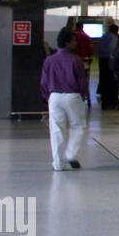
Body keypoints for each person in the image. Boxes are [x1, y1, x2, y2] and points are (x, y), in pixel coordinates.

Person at [41, 27, 88, 171]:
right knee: (78, 125)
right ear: (68, 43)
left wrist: (47, 97)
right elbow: (82, 81)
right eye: (73, 40)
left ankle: (57, 163)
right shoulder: (76, 60)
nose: (75, 43)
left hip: (54, 96)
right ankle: (71, 153)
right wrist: (83, 96)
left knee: (56, 129)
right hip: (72, 95)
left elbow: (43, 82)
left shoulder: (49, 60)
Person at [97, 21, 119, 109]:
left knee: (103, 80)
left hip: (101, 59)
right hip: (109, 61)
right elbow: (112, 49)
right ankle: (111, 102)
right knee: (111, 81)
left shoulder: (104, 36)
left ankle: (104, 102)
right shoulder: (113, 37)